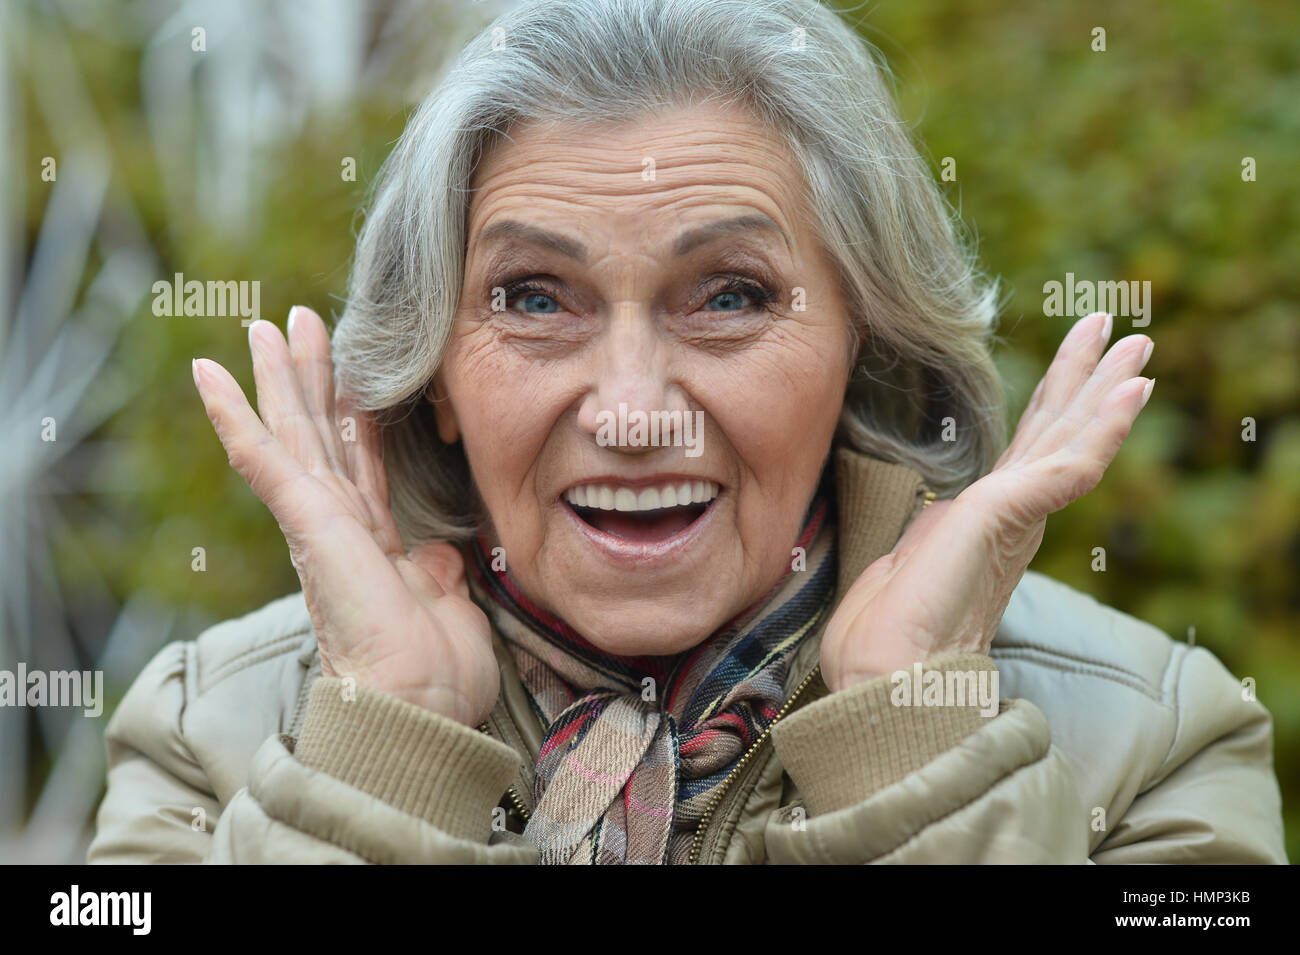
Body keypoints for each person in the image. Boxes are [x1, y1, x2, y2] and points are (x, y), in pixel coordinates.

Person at [89, 0, 1285, 864]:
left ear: (863, 338)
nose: (632, 412)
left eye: (730, 295)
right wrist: (378, 754)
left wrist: (912, 745)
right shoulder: (208, 731)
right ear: (432, 374)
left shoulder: (1155, 733)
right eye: (533, 298)